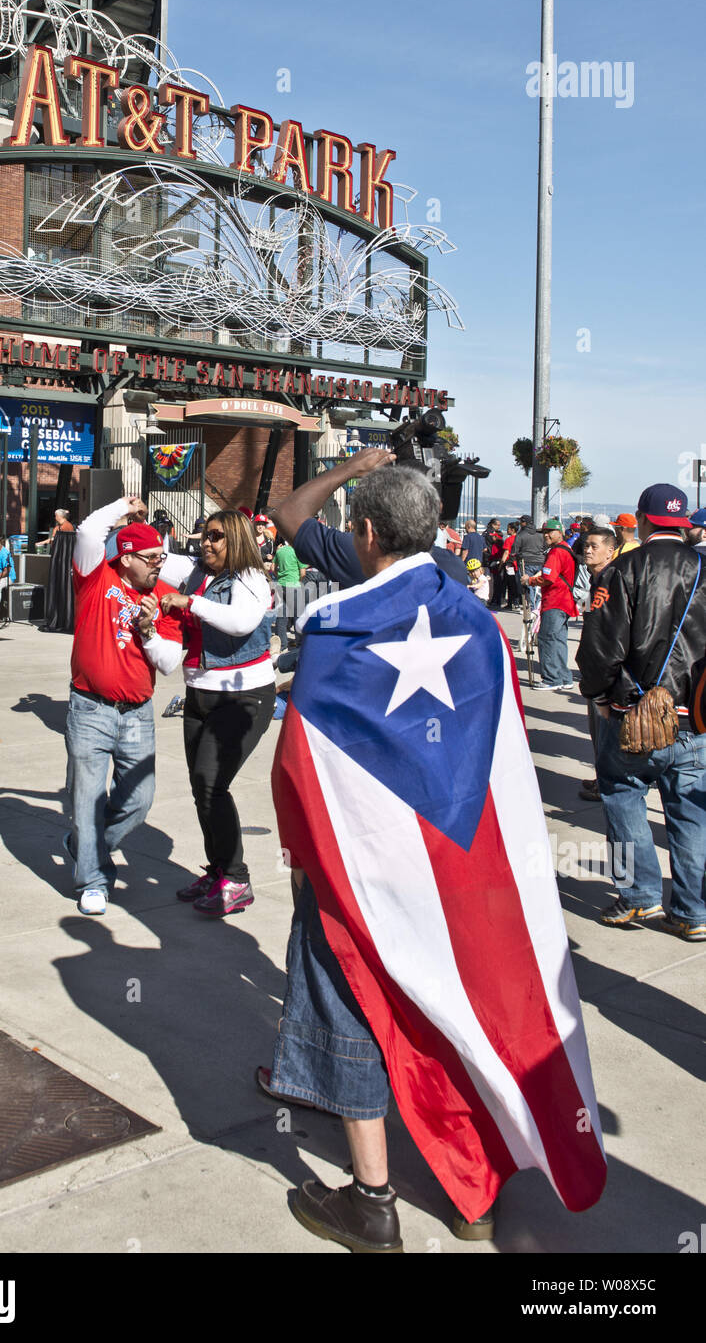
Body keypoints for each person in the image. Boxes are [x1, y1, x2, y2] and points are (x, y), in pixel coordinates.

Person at [265, 465, 606, 1252]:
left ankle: (372, 1199)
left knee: (350, 1002)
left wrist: (307, 853)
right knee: (465, 997)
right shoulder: (480, 622)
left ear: (369, 535)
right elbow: (504, 752)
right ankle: (474, 1192)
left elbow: (301, 762)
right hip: (467, 867)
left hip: (363, 860)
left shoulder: (335, 625)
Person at [577, 483, 706, 940]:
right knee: (690, 813)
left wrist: (598, 695)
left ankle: (639, 896)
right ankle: (693, 910)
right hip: (694, 715)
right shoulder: (703, 568)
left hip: (633, 712)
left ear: (643, 518)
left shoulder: (623, 569)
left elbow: (600, 647)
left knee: (622, 794)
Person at [65, 496, 184, 917]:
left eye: (162, 556)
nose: (159, 564)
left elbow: (170, 664)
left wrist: (149, 629)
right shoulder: (95, 579)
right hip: (90, 708)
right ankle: (93, 879)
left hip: (137, 714)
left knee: (138, 800)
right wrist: (121, 505)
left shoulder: (165, 596)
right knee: (87, 799)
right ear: (127, 557)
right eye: (152, 557)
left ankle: (86, 848)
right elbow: (86, 532)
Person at [158, 512, 276, 917]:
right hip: (199, 693)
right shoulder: (197, 573)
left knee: (212, 784)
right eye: (205, 535)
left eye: (216, 537)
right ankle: (219, 870)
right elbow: (148, 552)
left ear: (237, 539)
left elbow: (241, 622)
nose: (206, 543)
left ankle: (237, 880)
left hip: (243, 696)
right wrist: (122, 519)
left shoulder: (250, 579)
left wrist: (191, 602)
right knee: (200, 788)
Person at [269, 446, 468, 589]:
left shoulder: (365, 557)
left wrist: (350, 467)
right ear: (436, 509)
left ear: (370, 532)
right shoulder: (453, 568)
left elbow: (287, 514)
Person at [576, 526, 617, 802]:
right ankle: (603, 777)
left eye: (594, 546)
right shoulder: (596, 578)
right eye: (586, 546)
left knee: (606, 734)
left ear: (609, 550)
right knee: (597, 733)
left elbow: (606, 631)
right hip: (594, 669)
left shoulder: (611, 579)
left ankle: (608, 783)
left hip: (605, 672)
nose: (588, 550)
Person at [521, 518, 577, 690]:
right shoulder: (566, 549)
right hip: (565, 601)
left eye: (549, 532)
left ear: (559, 532)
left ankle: (552, 679)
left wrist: (529, 580)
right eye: (544, 532)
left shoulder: (556, 552)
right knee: (558, 639)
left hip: (555, 600)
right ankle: (564, 677)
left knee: (547, 638)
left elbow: (548, 578)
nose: (545, 535)